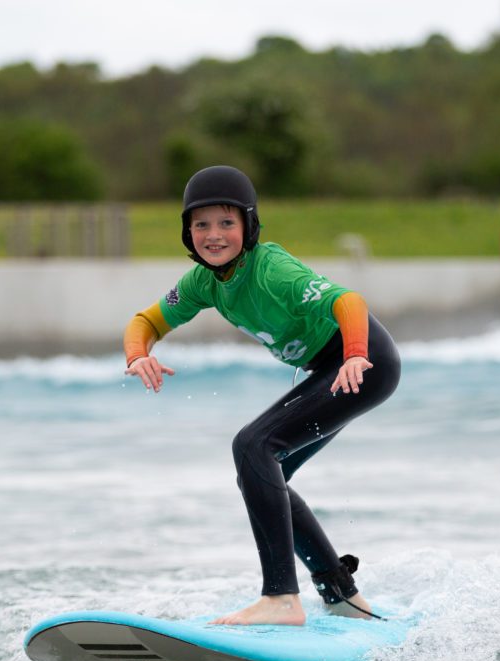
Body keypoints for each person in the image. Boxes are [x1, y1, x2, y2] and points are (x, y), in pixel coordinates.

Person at [123, 166, 402, 626]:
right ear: (188, 233)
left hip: (362, 364)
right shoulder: (202, 282)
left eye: (226, 222)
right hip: (331, 369)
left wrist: (354, 355)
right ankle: (342, 596)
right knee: (261, 473)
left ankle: (281, 598)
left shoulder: (272, 270)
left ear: (249, 225)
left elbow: (348, 300)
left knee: (253, 446)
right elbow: (146, 321)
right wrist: (138, 355)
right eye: (201, 225)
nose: (213, 235)